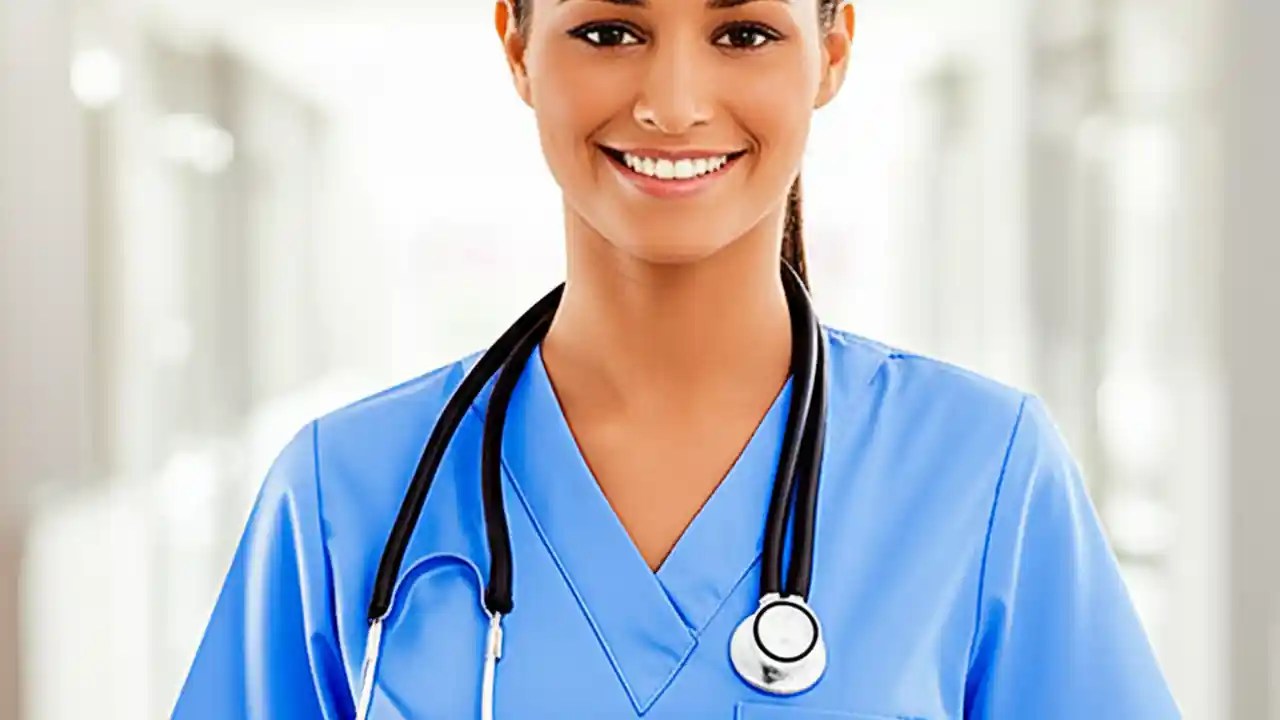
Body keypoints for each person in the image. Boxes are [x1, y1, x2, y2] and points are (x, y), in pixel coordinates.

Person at [172, 0, 1180, 717]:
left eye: (741, 33)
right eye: (609, 31)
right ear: (515, 45)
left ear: (831, 52)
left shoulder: (981, 470)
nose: (672, 101)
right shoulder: (346, 491)